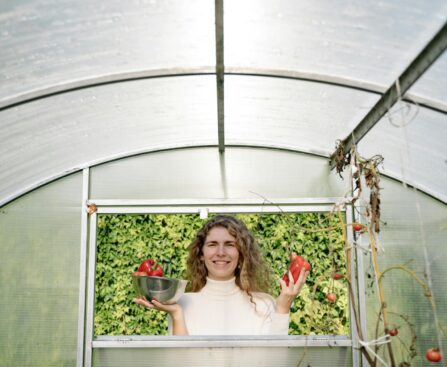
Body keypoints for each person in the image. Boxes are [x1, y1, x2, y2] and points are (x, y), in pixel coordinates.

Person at [133, 215, 309, 335]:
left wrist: (283, 308)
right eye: (212, 244)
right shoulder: (182, 303)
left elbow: (275, 362)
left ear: (241, 253)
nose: (221, 252)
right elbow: (181, 363)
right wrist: (177, 314)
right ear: (201, 254)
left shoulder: (265, 304)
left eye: (230, 244)